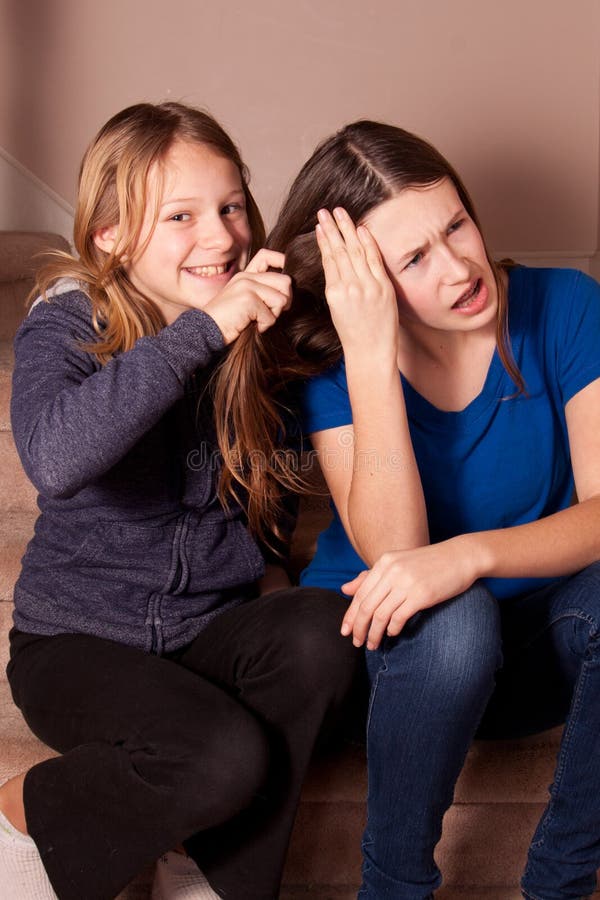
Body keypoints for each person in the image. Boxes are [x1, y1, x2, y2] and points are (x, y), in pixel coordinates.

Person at [0, 101, 361, 900]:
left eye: (231, 207)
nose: (222, 236)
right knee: (223, 755)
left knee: (322, 631)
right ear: (111, 236)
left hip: (207, 639)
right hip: (76, 645)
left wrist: (275, 606)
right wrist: (203, 328)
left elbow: (261, 497)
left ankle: (201, 868)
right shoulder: (67, 326)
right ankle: (25, 808)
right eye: (182, 216)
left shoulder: (256, 339)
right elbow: (56, 458)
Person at [247, 120, 600, 899]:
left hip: (532, 656)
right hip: (402, 672)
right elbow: (395, 548)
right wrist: (371, 349)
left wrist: (470, 553)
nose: (459, 266)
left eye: (455, 225)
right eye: (413, 259)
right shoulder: (341, 366)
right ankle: (392, 887)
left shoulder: (566, 306)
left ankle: (562, 883)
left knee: (481, 597)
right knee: (457, 621)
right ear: (364, 285)